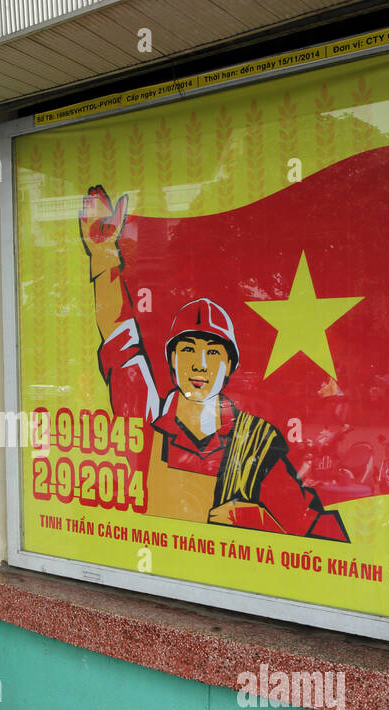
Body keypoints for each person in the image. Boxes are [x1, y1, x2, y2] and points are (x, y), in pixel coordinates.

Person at [79, 185, 347, 540]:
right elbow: (120, 338)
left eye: (213, 352)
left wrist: (260, 522)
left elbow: (313, 530)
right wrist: (103, 258)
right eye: (187, 350)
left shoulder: (255, 445)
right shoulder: (146, 422)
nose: (200, 365)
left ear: (230, 366)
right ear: (172, 361)